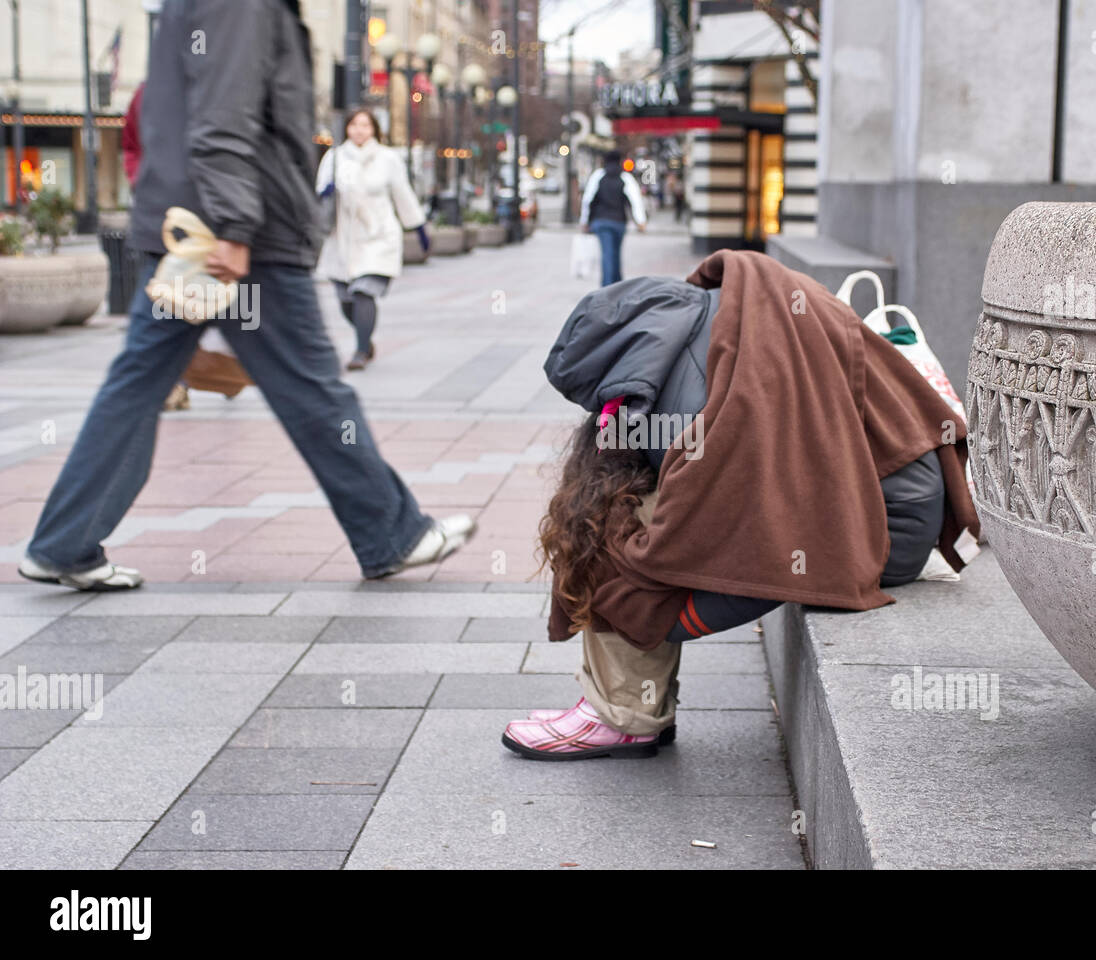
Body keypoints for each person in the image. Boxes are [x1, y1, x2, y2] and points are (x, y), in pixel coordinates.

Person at [17, 0, 473, 591]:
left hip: (195, 225)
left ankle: (63, 543)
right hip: (236, 235)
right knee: (308, 384)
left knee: (141, 381)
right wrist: (234, 228)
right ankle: (393, 532)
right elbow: (223, 117)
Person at [501, 254, 979, 760]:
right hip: (892, 495)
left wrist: (657, 616)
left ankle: (623, 716)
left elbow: (769, 548)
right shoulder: (714, 312)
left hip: (883, 531)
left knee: (612, 530)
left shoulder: (697, 402)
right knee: (619, 512)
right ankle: (624, 705)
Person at [316, 108, 427, 371]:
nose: (359, 130)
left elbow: (403, 193)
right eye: (354, 125)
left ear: (374, 129)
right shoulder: (335, 157)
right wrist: (326, 192)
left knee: (364, 292)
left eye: (365, 125)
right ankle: (365, 337)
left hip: (378, 236)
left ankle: (360, 350)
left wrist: (418, 227)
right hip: (343, 237)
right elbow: (319, 194)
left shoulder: (388, 158)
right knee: (345, 298)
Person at [579, 150, 646, 287]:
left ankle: (608, 286)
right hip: (618, 222)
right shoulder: (625, 178)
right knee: (615, 254)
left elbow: (588, 200)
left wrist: (584, 221)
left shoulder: (598, 176)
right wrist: (640, 221)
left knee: (607, 254)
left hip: (601, 221)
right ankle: (615, 286)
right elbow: (635, 200)